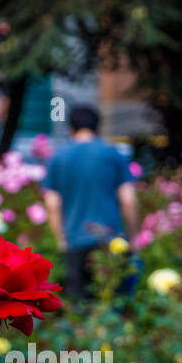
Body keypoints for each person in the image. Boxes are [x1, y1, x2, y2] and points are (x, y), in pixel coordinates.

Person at [41, 105, 140, 302]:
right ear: (98, 127)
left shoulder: (58, 158)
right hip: (112, 241)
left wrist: (61, 238)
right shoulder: (114, 155)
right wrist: (133, 238)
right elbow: (128, 200)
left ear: (71, 128)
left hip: (75, 240)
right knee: (114, 301)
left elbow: (52, 204)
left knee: (80, 306)